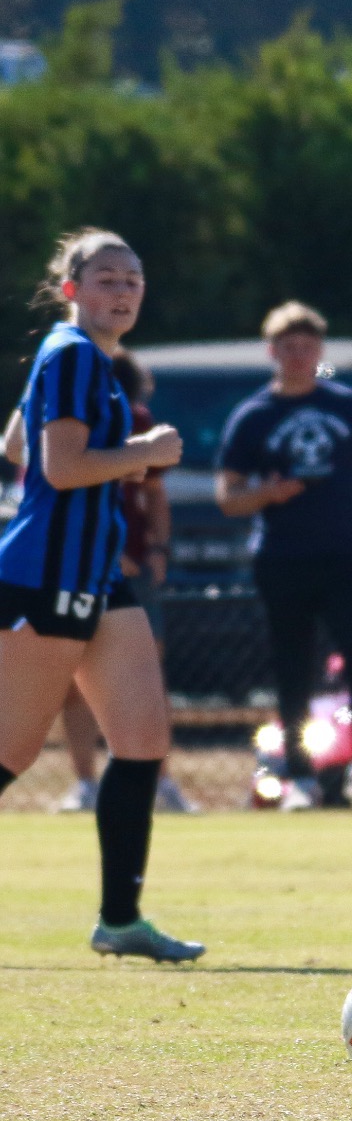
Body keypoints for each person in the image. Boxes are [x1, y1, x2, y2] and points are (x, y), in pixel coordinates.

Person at [0, 228, 203, 961]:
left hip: (92, 570)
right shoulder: (77, 354)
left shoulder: (78, 358)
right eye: (107, 278)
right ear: (72, 289)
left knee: (143, 738)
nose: (123, 291)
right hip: (43, 572)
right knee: (12, 751)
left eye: (134, 280)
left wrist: (118, 459)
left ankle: (121, 919)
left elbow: (17, 447)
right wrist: (144, 456)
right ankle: (120, 918)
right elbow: (57, 468)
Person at [217, 301, 352, 811]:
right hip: (283, 559)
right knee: (292, 669)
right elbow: (228, 496)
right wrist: (266, 494)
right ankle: (300, 776)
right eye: (289, 347)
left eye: (308, 347)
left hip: (347, 556)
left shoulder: (348, 407)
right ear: (272, 351)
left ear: (319, 351)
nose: (299, 356)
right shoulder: (254, 416)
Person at [43, 348, 195, 815]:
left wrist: (155, 550)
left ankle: (160, 782)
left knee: (147, 676)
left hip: (128, 565)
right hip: (73, 563)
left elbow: (154, 495)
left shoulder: (137, 419)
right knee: (75, 680)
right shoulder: (56, 422)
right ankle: (85, 783)